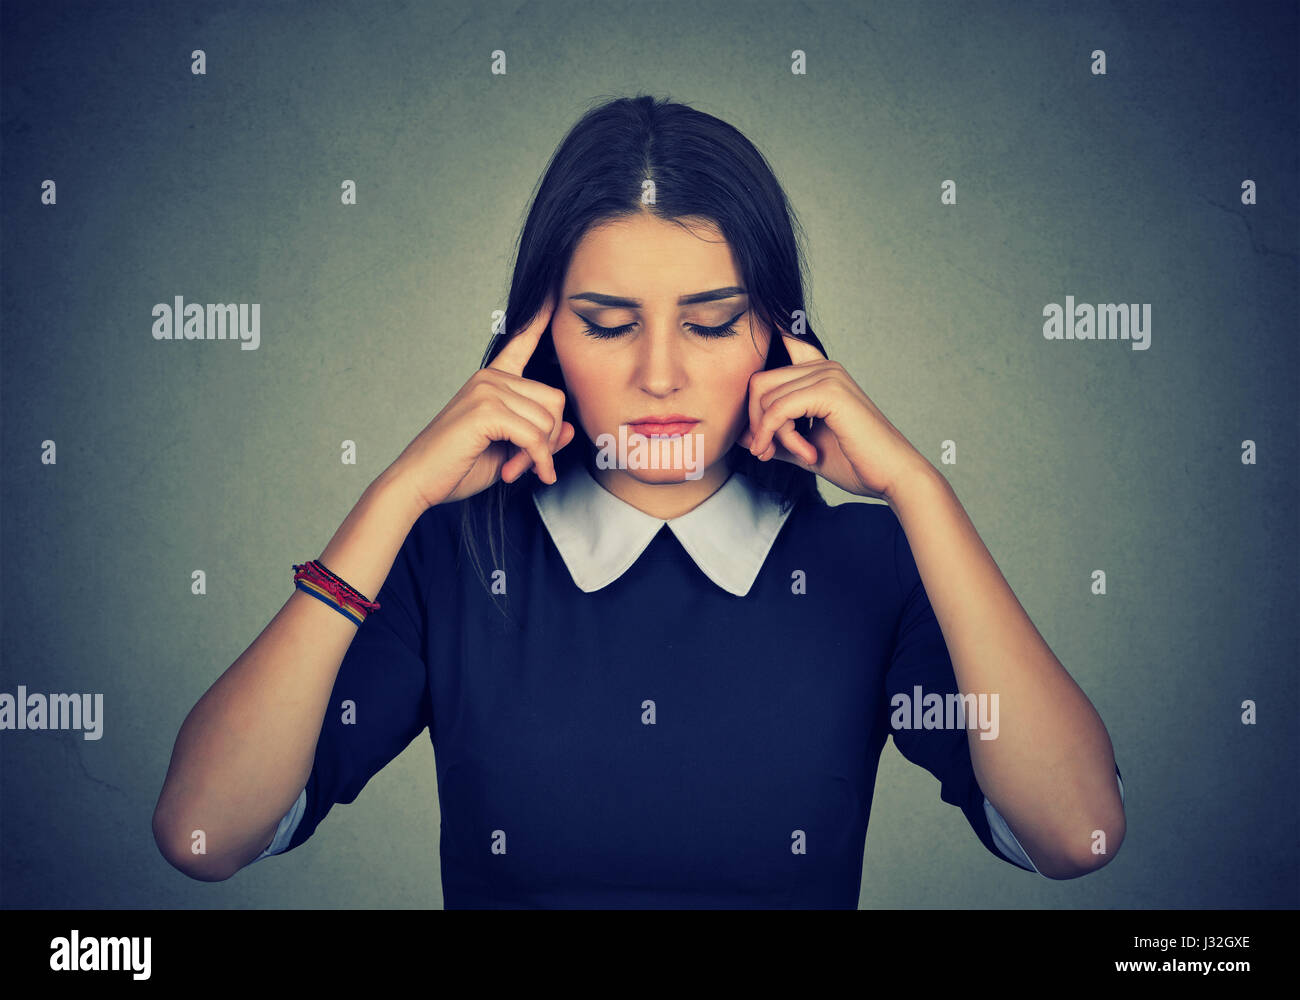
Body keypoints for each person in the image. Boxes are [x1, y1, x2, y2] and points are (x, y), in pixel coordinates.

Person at [152, 94, 1126, 908]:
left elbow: (1075, 834)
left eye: (710, 323)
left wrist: (921, 488)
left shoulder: (871, 566)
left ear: (778, 340)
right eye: (607, 323)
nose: (659, 375)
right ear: (540, 340)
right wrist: (396, 493)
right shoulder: (449, 557)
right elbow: (203, 833)